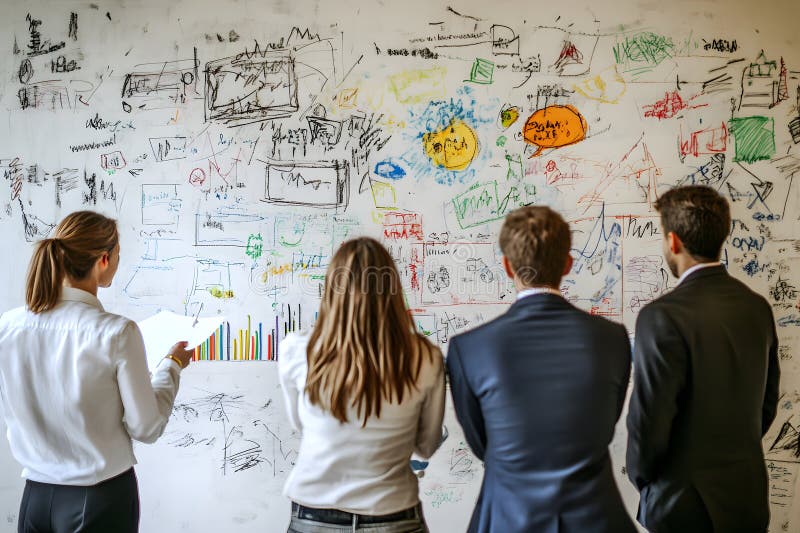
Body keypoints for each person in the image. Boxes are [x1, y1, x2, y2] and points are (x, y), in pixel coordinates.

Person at [0, 210, 193, 533]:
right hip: (100, 496)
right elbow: (146, 428)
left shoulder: (8, 326)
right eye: (118, 255)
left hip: (35, 497)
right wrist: (171, 366)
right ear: (103, 260)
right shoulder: (116, 332)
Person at [447, 206, 636, 533]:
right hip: (596, 520)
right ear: (567, 264)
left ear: (507, 266)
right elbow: (605, 425)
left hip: (506, 518)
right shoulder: (612, 339)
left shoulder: (469, 348)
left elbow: (483, 445)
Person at [626, 185, 780, 532]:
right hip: (747, 499)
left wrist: (646, 482)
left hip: (680, 505)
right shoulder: (756, 308)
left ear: (673, 242)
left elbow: (648, 422)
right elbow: (766, 406)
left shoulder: (660, 316)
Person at [279, 237, 445, 533]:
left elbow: (299, 424)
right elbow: (426, 446)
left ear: (332, 288)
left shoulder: (297, 349)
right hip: (394, 516)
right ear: (392, 288)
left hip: (313, 516)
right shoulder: (426, 357)